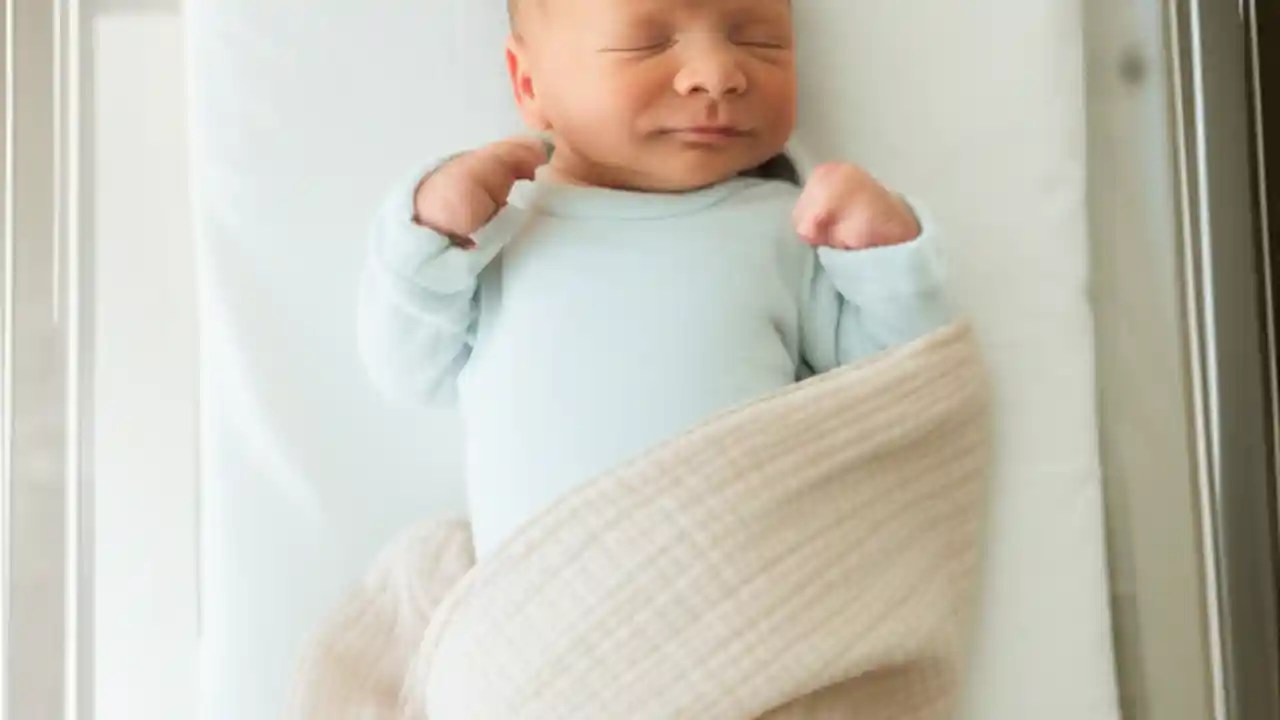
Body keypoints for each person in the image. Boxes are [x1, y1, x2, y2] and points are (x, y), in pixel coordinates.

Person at [358, 0, 952, 559]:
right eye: (646, 42)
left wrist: (882, 256)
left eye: (760, 40)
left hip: (746, 590)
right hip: (543, 596)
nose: (718, 75)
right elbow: (409, 374)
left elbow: (898, 388)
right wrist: (430, 235)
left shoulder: (791, 225)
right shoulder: (497, 233)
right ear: (530, 84)